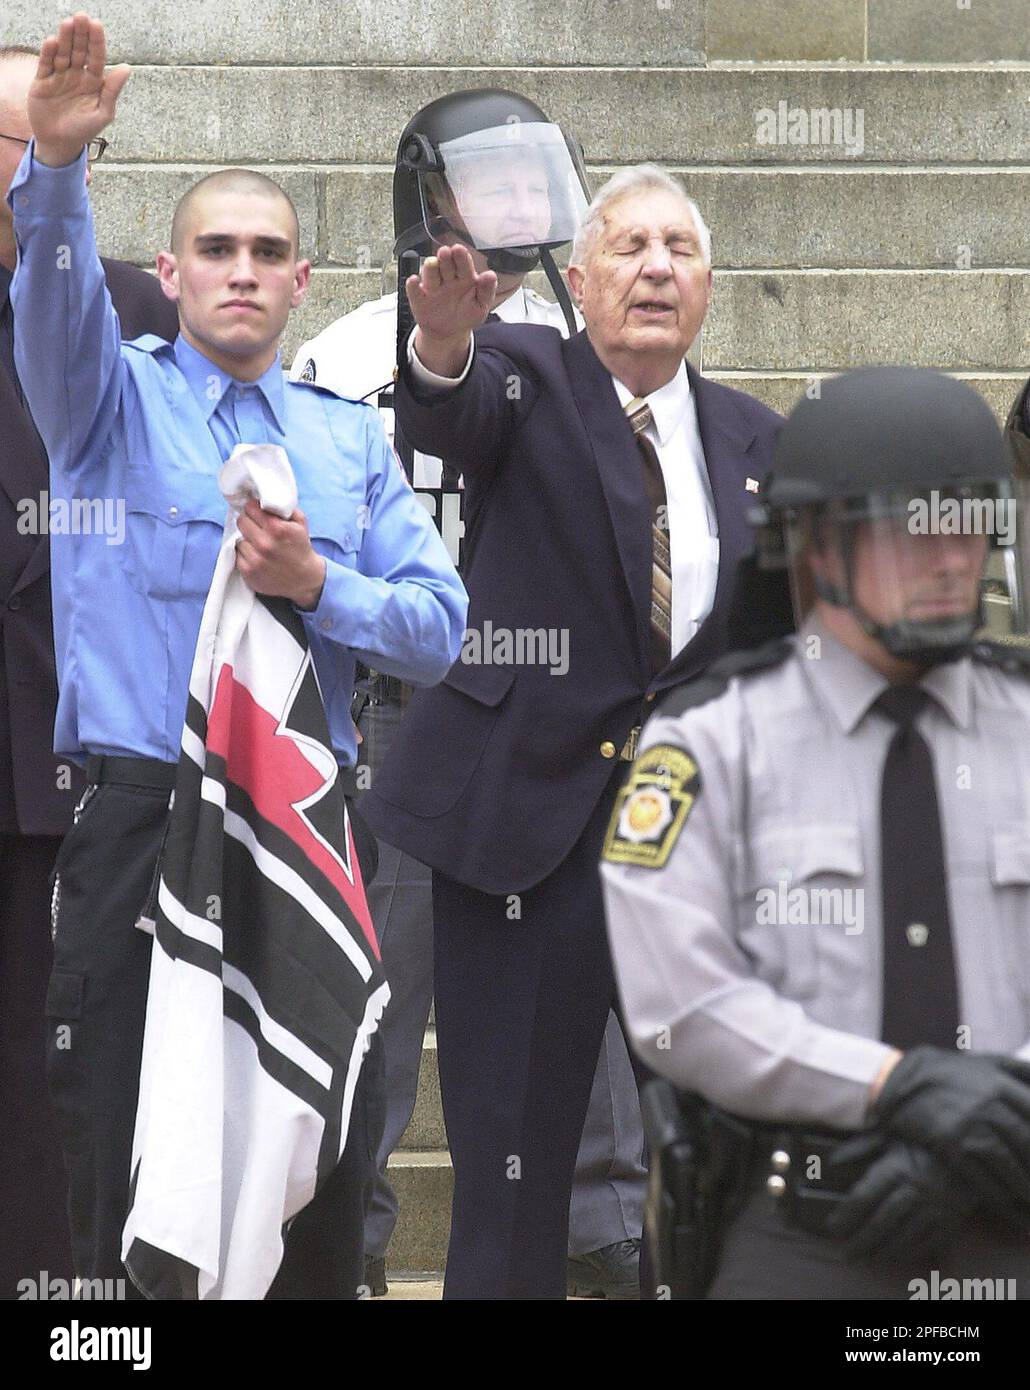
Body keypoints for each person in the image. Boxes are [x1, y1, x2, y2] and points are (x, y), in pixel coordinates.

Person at [10, 12, 466, 1297]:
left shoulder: (346, 440)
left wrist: (317, 582)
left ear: (303, 281)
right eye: (216, 249)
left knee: (309, 1166)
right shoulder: (101, 401)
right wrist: (54, 169)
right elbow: (48, 302)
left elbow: (440, 628)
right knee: (120, 1161)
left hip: (303, 831)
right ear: (169, 268)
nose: (243, 271)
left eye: (269, 252)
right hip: (141, 824)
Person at [363, 162, 785, 1298]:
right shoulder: (527, 378)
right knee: (510, 1162)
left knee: (712, 1159)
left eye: (679, 250)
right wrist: (441, 342)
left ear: (708, 284)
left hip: (693, 853)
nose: (656, 267)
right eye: (630, 247)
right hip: (522, 834)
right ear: (583, 281)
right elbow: (449, 407)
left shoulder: (758, 444)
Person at [291, 89, 648, 1299]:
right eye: (476, 183)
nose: (506, 206)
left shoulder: (589, 342)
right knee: (377, 994)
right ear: (426, 198)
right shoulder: (347, 350)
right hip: (404, 711)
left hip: (560, 722)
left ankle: (605, 1225)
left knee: (582, 1002)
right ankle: (359, 1232)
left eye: (522, 178)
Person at [601, 365, 1030, 1299]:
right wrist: (893, 1089)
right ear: (817, 547)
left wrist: (977, 1136)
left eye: (971, 523)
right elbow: (683, 1006)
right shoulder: (708, 743)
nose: (952, 556)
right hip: (804, 1228)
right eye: (915, 526)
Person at [0, 41, 179, 1300]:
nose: (41, 160)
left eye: (65, 141)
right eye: (23, 134)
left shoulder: (143, 312)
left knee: (78, 1068)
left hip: (99, 759)